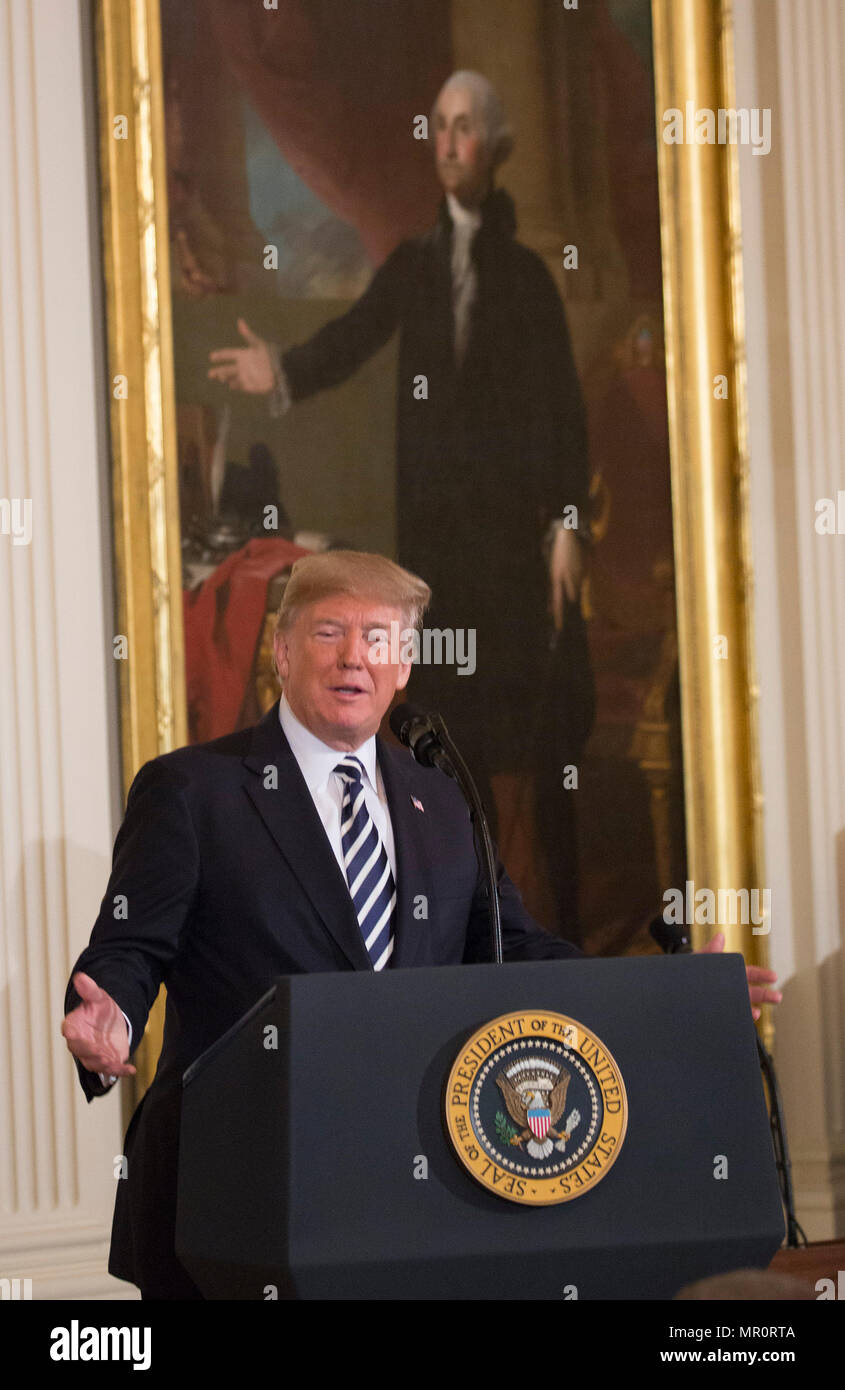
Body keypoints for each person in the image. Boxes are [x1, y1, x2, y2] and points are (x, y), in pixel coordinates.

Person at [62, 550, 781, 1300]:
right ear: (280, 651)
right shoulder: (193, 789)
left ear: (403, 665)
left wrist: (670, 994)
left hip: (407, 1182)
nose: (353, 657)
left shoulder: (440, 799)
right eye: (328, 631)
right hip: (237, 1184)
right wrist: (107, 1009)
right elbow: (130, 946)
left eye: (377, 637)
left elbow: (514, 948)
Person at [207, 70, 594, 934]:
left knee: (537, 736)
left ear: (493, 148)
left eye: (465, 128)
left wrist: (567, 522)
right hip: (434, 558)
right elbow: (351, 338)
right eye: (440, 128)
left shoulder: (527, 278)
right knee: (447, 744)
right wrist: (283, 371)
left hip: (509, 557)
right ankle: (463, 934)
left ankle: (549, 939)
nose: (449, 143)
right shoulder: (414, 266)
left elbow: (563, 412)